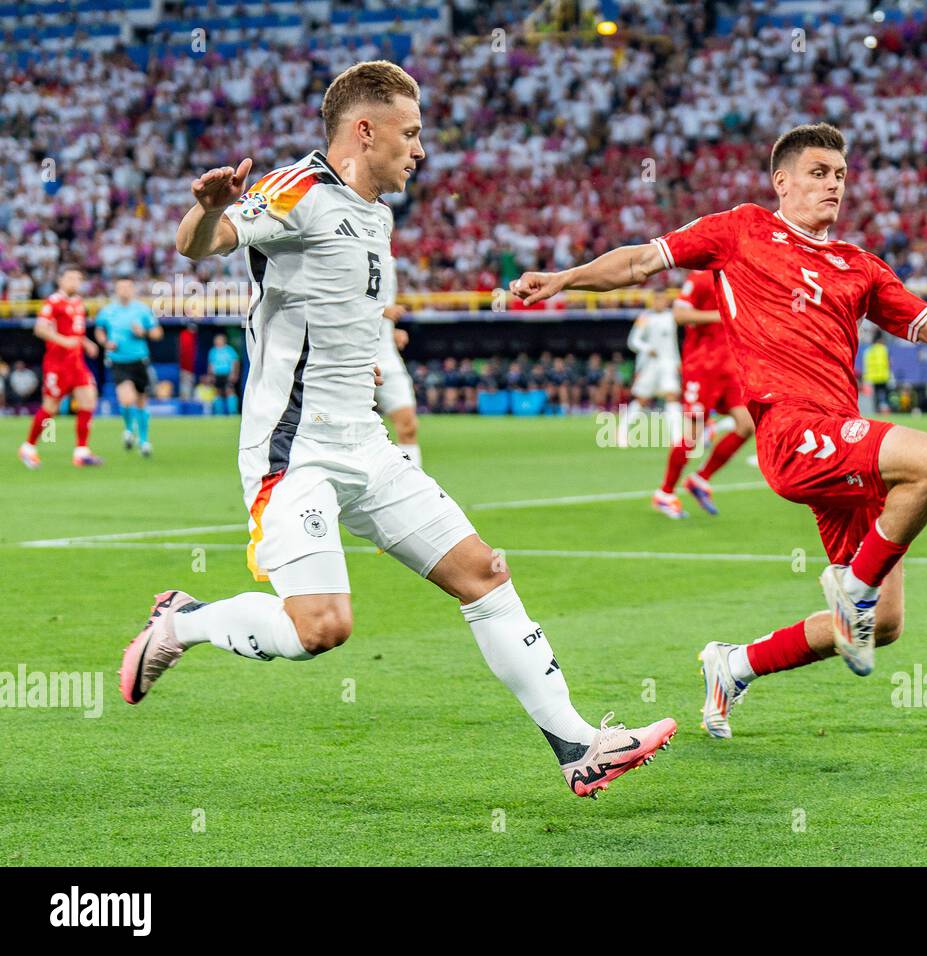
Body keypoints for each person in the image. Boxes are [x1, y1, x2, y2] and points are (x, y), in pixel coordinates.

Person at [121, 60, 674, 798]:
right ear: (364, 129)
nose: (420, 149)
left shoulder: (376, 214)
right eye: (410, 134)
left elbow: (338, 316)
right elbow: (204, 244)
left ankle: (578, 745)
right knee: (321, 628)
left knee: (484, 573)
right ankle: (182, 623)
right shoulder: (301, 191)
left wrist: (359, 374)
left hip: (365, 445)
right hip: (296, 453)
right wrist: (207, 209)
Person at [509, 122, 927, 738]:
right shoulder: (741, 229)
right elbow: (642, 261)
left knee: (883, 625)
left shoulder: (860, 267)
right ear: (783, 180)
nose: (834, 185)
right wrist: (564, 279)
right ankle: (851, 588)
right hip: (791, 432)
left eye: (841, 176)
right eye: (819, 173)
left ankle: (733, 665)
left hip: (844, 446)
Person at [654, 269, 754, 518]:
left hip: (729, 368)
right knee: (693, 434)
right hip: (702, 367)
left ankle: (700, 479)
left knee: (747, 424)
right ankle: (665, 493)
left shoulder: (738, 276)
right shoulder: (699, 278)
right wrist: (721, 316)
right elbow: (679, 314)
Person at [18, 266, 103, 469]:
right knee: (51, 408)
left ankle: (81, 452)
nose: (75, 282)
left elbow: (77, 332)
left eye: (78, 278)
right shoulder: (54, 302)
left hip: (76, 362)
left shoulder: (79, 303)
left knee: (88, 400)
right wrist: (64, 341)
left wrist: (86, 343)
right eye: (71, 278)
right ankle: (28, 447)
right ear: (61, 280)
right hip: (57, 364)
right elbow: (40, 329)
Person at [95, 277, 162, 457]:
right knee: (126, 399)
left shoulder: (142, 310)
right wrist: (105, 342)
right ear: (116, 290)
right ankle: (127, 428)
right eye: (121, 287)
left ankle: (144, 440)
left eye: (128, 287)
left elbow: (157, 333)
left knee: (141, 401)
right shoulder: (107, 311)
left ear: (133, 289)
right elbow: (99, 330)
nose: (124, 290)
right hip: (118, 360)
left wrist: (144, 332)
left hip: (139, 360)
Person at [374, 267, 422, 466]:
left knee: (408, 425)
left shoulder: (389, 260)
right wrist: (381, 311)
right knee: (343, 432)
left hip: (387, 354)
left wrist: (389, 331)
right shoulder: (350, 244)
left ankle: (413, 485)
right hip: (350, 355)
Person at [621, 288, 681, 445]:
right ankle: (622, 432)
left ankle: (676, 439)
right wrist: (647, 348)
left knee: (672, 396)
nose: (659, 302)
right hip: (650, 365)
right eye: (656, 299)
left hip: (667, 363)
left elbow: (672, 343)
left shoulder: (671, 317)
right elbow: (633, 341)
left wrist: (677, 362)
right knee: (642, 399)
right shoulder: (645, 317)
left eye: (662, 299)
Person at [207, 332, 241, 415]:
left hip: (227, 374)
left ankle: (233, 412)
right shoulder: (213, 351)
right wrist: (210, 375)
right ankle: (219, 413)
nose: (217, 341)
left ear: (224, 341)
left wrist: (234, 373)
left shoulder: (229, 350)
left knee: (230, 391)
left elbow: (235, 362)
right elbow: (210, 364)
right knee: (218, 392)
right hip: (217, 375)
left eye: (219, 340)